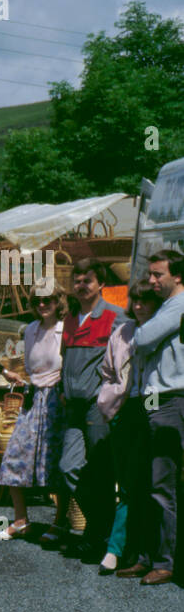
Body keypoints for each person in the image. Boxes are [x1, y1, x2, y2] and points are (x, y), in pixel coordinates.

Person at [53, 259, 127, 561]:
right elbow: (64, 359)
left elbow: (123, 363)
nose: (81, 285)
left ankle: (102, 536)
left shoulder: (115, 316)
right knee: (68, 467)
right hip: (72, 407)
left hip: (98, 407)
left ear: (101, 285)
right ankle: (99, 527)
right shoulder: (69, 318)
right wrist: (61, 390)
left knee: (100, 471)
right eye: (77, 280)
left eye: (87, 280)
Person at [0, 283, 66, 540]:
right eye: (37, 302)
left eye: (48, 300)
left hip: (57, 398)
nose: (43, 305)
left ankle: (59, 522)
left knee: (54, 460)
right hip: (33, 397)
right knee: (13, 455)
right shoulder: (31, 329)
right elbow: (30, 367)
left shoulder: (63, 329)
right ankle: (21, 520)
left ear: (58, 301)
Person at [99, 279, 162, 576]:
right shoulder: (122, 332)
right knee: (126, 482)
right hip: (124, 407)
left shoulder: (164, 327)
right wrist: (110, 404)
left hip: (148, 404)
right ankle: (118, 548)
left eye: (145, 301)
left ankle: (127, 549)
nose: (138, 306)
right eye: (135, 301)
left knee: (146, 482)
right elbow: (108, 370)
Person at [129, 248, 184, 585]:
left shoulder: (179, 304)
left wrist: (141, 333)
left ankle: (164, 562)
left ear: (177, 275)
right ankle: (147, 555)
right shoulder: (166, 306)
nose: (151, 281)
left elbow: (142, 338)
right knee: (148, 479)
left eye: (158, 274)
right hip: (153, 398)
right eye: (149, 274)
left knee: (162, 482)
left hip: (169, 399)